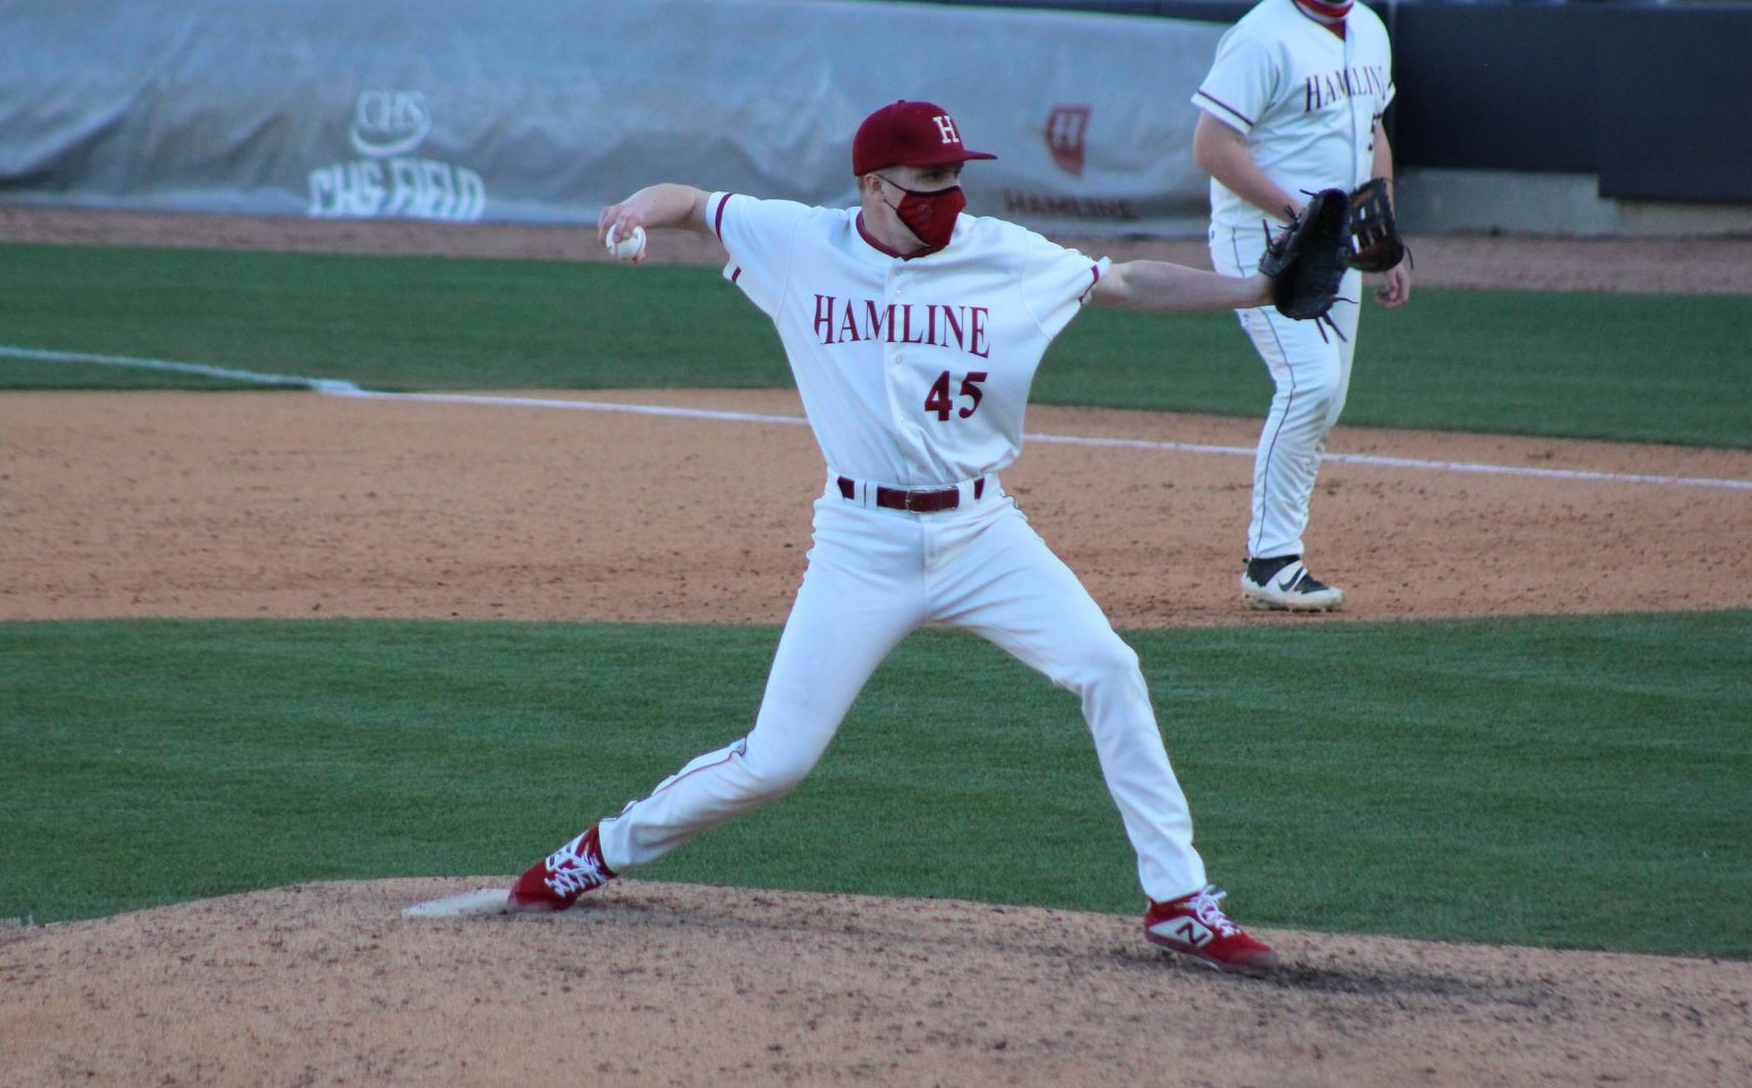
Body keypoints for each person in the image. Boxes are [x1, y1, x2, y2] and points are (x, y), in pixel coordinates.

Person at [506, 100, 1328, 974]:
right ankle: (599, 851)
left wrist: (1260, 288)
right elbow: (693, 201)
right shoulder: (799, 243)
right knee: (777, 760)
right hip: (860, 544)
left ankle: (1179, 901)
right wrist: (634, 208)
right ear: (871, 186)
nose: (949, 192)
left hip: (984, 534)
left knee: (1109, 667)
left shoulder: (1004, 254)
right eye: (929, 178)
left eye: (955, 175)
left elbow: (1123, 280)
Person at [1191, 0, 1411, 612]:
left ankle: (1280, 556)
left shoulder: (1368, 27)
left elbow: (1374, 133)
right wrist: (1302, 215)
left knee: (1328, 391)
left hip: (1333, 238)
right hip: (1264, 241)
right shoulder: (1261, 36)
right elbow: (1211, 146)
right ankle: (1272, 561)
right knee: (1310, 380)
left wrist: (1380, 229)